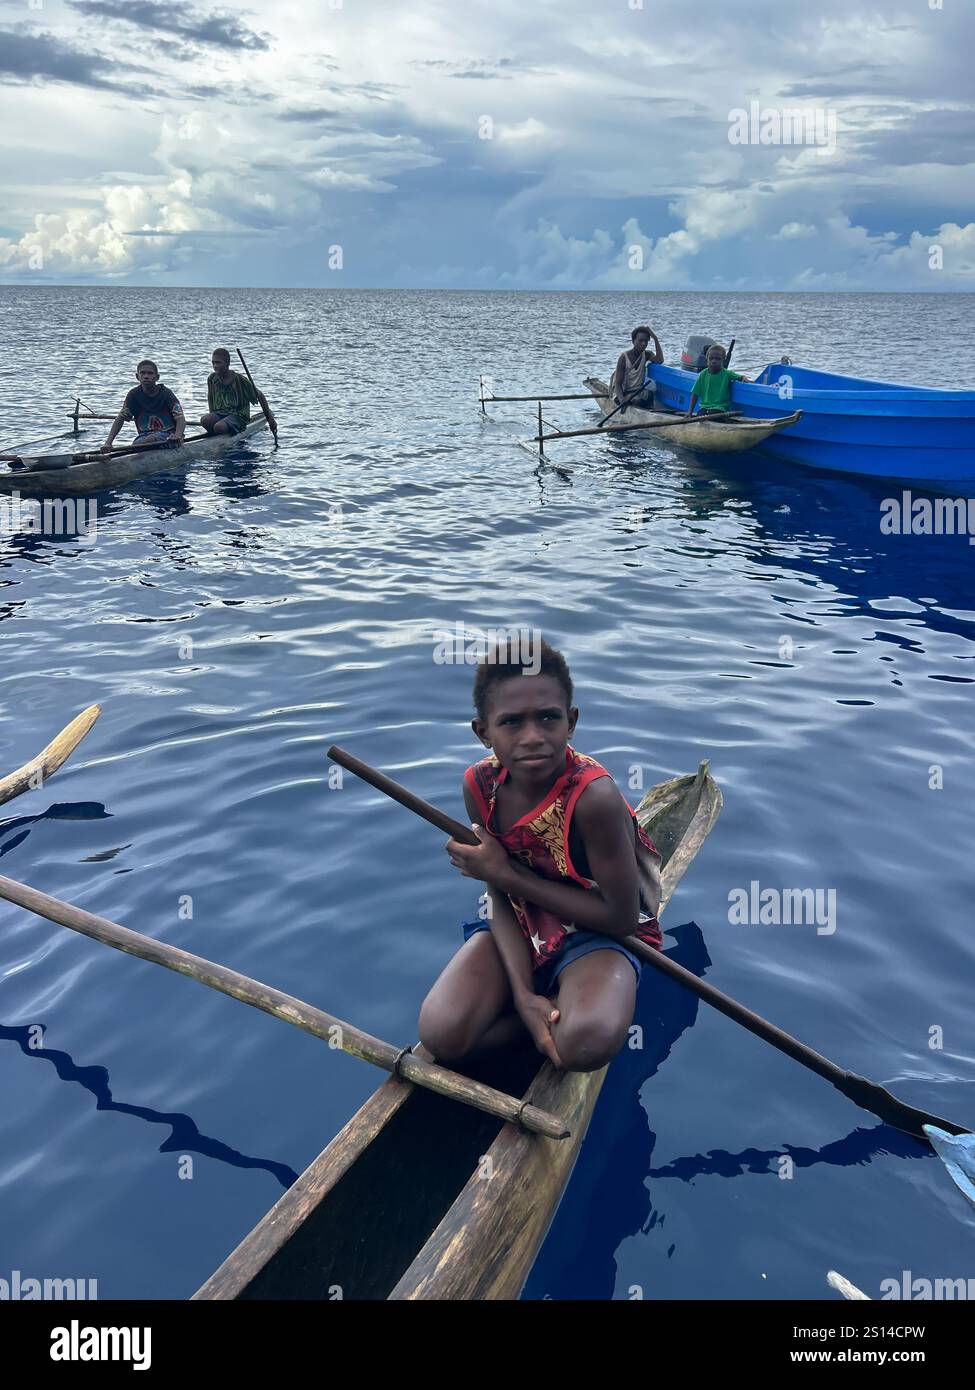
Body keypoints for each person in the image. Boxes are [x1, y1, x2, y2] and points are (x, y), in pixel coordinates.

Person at [418, 639, 664, 1073]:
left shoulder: (593, 798)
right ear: (483, 732)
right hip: (521, 917)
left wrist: (508, 878)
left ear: (570, 722)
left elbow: (622, 918)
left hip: (600, 929)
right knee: (440, 1035)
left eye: (548, 718)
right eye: (511, 722)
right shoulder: (480, 785)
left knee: (584, 1046)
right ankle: (540, 1009)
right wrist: (522, 996)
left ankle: (561, 1009)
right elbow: (501, 893)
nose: (533, 737)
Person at [101, 360, 185, 453]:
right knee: (136, 446)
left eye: (150, 373)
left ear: (157, 377)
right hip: (144, 436)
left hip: (169, 435)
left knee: (150, 440)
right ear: (137, 377)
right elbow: (120, 418)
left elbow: (180, 419)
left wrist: (177, 435)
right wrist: (108, 443)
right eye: (143, 373)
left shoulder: (166, 393)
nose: (146, 376)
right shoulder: (134, 395)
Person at [201, 348, 275, 436]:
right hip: (220, 413)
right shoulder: (212, 378)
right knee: (205, 420)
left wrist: (270, 419)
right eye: (213, 363)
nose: (215, 366)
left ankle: (224, 431)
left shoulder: (240, 380)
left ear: (227, 364)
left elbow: (260, 395)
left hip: (238, 416)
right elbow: (210, 398)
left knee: (219, 427)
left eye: (218, 362)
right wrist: (212, 416)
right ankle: (218, 434)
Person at [609, 325, 664, 412]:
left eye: (646, 341)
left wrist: (655, 339)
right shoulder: (624, 357)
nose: (644, 343)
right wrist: (622, 399)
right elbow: (618, 385)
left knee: (650, 395)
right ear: (633, 341)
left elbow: (660, 360)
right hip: (622, 392)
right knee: (635, 400)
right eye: (640, 340)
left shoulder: (646, 354)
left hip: (636, 392)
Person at [687, 344, 750, 417]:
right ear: (706, 359)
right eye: (711, 358)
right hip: (704, 407)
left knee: (712, 415)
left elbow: (741, 377)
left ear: (723, 359)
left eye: (718, 359)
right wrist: (690, 412)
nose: (714, 361)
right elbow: (695, 394)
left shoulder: (727, 374)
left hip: (720, 408)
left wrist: (744, 378)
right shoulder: (702, 375)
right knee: (701, 415)